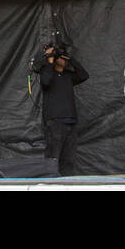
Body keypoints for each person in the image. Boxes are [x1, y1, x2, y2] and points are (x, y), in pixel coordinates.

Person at [31, 43, 89, 175]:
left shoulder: (68, 76)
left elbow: (84, 75)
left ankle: (67, 184)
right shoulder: (47, 72)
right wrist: (50, 60)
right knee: (53, 157)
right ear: (55, 59)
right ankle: (50, 183)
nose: (63, 60)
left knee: (68, 159)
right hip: (55, 121)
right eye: (60, 58)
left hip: (71, 122)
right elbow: (45, 82)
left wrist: (70, 58)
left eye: (63, 58)